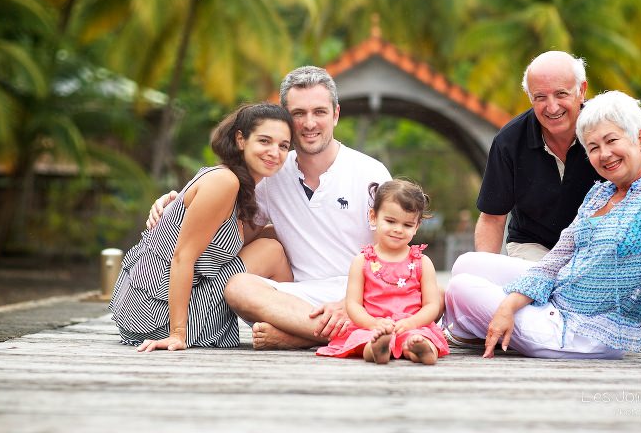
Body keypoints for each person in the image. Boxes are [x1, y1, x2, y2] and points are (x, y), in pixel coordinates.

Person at [444, 90, 641, 367]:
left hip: (584, 333)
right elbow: (555, 260)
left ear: (639, 138)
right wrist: (509, 306)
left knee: (460, 288)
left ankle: (470, 328)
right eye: (593, 147)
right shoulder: (601, 193)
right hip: (557, 299)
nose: (604, 154)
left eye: (611, 140)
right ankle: (481, 328)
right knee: (467, 264)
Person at [148, 66, 392, 349]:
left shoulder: (370, 172)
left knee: (426, 293)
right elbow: (222, 222)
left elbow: (390, 255)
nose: (309, 123)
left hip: (359, 294)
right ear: (286, 119)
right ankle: (341, 336)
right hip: (294, 300)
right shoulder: (272, 173)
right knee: (238, 287)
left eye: (319, 112)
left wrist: (348, 304)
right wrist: (176, 203)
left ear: (335, 114)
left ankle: (305, 337)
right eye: (299, 114)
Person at [110, 103, 295, 351]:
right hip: (156, 314)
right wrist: (177, 333)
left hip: (144, 310)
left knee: (273, 238)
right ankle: (293, 328)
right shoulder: (223, 181)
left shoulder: (240, 187)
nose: (275, 152)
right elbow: (182, 257)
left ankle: (288, 326)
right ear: (241, 140)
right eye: (264, 141)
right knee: (272, 251)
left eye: (283, 145)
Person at [475, 51, 600, 261]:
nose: (552, 107)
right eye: (540, 97)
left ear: (582, 90)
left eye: (561, 94)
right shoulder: (509, 141)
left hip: (597, 244)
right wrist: (485, 273)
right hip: (533, 246)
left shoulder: (606, 131)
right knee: (533, 289)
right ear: (530, 97)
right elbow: (492, 218)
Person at [316, 180, 449, 365]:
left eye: (407, 225)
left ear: (417, 226)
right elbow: (353, 304)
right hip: (373, 326)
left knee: (422, 336)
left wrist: (412, 323)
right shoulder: (362, 261)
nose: (398, 230)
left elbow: (432, 305)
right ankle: (377, 348)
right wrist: (373, 324)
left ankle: (420, 349)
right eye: (390, 221)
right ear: (373, 217)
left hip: (410, 326)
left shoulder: (422, 262)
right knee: (363, 338)